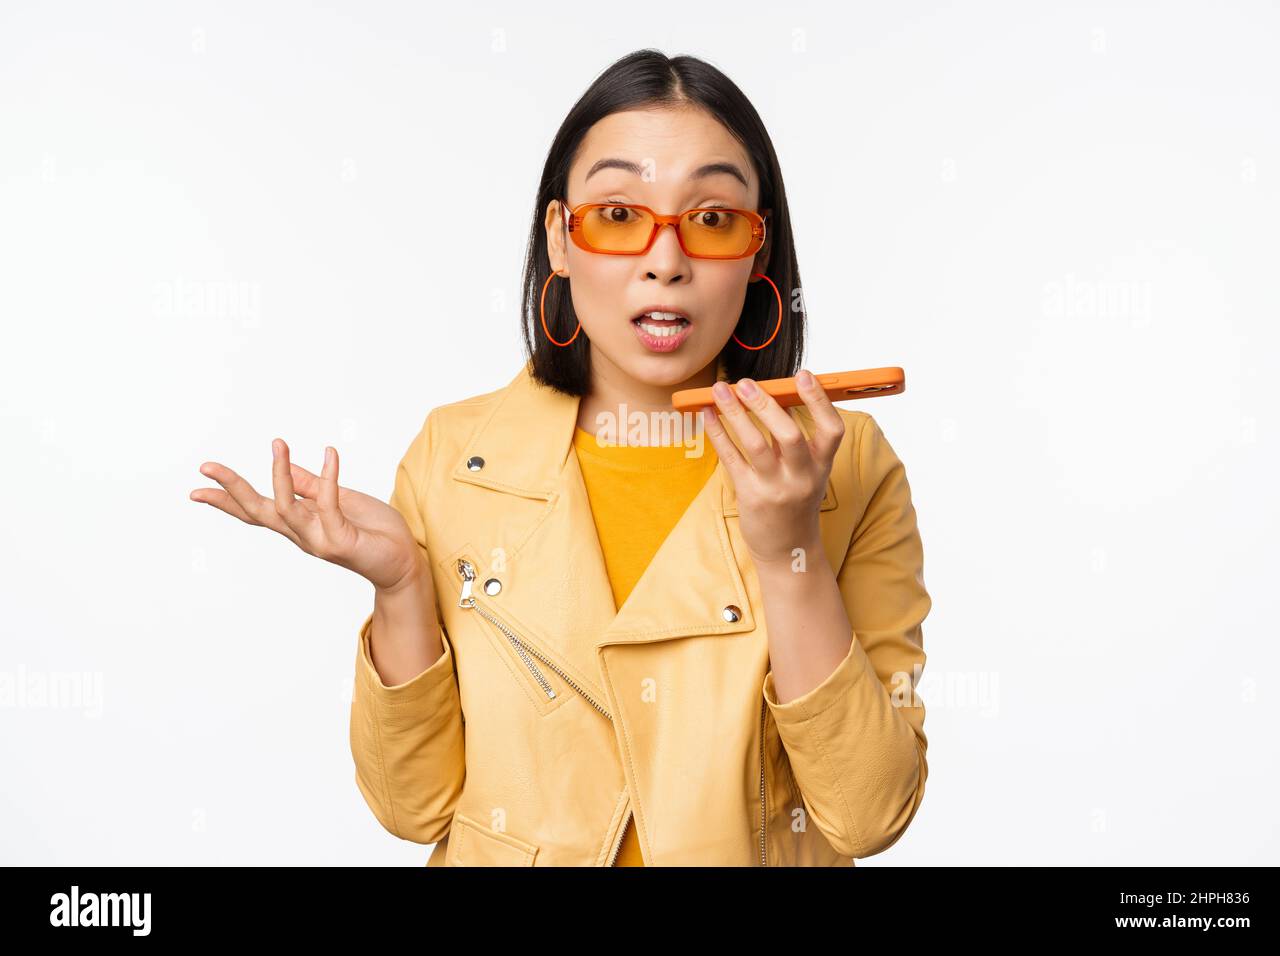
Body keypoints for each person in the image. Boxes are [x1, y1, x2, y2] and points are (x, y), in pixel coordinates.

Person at [190, 49, 931, 866]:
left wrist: (790, 552)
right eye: (617, 215)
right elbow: (413, 807)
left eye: (712, 219)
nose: (665, 259)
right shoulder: (454, 456)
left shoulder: (847, 466)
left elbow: (868, 814)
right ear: (561, 241)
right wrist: (401, 587)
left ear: (758, 253)